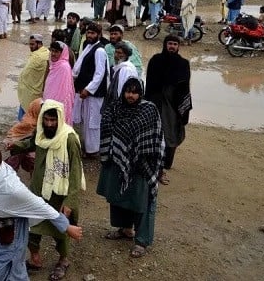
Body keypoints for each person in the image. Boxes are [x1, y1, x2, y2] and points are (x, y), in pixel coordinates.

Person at [0, 145, 83, 281]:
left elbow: (41, 206)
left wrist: (66, 226)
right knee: (16, 269)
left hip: (13, 233)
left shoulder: (12, 190)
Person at [97, 77, 164, 259]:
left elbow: (155, 138)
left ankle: (141, 240)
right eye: (128, 91)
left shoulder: (149, 110)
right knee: (119, 196)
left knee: (141, 201)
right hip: (117, 161)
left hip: (141, 165)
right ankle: (125, 229)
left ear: (140, 93)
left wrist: (157, 167)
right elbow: (106, 128)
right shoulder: (115, 108)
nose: (130, 95)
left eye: (135, 92)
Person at [27, 100, 86, 279]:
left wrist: (70, 201)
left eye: (53, 120)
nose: (50, 124)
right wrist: (14, 147)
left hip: (59, 194)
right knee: (32, 225)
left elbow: (75, 172)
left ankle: (63, 260)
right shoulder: (41, 132)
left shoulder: (69, 138)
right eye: (47, 120)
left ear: (59, 119)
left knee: (61, 229)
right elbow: (31, 144)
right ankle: (35, 258)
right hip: (39, 189)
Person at [145, 35, 191, 185]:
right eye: (170, 43)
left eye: (175, 44)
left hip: (173, 105)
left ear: (178, 46)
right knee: (153, 136)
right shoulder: (155, 60)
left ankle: (163, 168)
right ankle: (153, 168)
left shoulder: (183, 64)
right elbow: (149, 84)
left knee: (171, 137)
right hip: (156, 101)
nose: (172, 46)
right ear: (165, 45)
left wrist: (184, 110)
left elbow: (185, 88)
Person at [72, 22, 109, 157]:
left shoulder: (99, 50)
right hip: (84, 92)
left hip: (93, 94)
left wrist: (88, 89)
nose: (90, 35)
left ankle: (92, 150)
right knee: (84, 120)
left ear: (98, 35)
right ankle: (87, 147)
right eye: (88, 33)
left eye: (93, 33)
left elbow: (100, 74)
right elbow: (79, 66)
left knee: (92, 122)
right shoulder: (88, 46)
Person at [16, 34, 49, 120]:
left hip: (33, 92)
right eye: (29, 44)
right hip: (29, 91)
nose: (30, 47)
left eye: (32, 44)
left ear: (39, 44)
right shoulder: (43, 53)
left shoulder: (39, 56)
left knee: (28, 118)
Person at [42, 41, 75, 125]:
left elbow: (65, 92)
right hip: (49, 100)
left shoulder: (64, 67)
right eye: (52, 51)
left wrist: (56, 106)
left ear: (62, 53)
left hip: (58, 104)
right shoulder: (53, 65)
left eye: (56, 52)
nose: (53, 53)